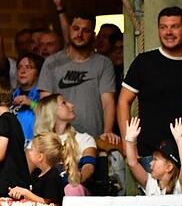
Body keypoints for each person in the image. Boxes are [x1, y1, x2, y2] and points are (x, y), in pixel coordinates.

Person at [118, 6, 182, 192]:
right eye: (163, 27)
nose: (168, 32)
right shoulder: (144, 62)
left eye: (174, 26)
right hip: (152, 157)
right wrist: (128, 146)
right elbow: (123, 101)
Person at [38, 12, 118, 142]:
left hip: (94, 139)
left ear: (93, 34)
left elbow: (108, 102)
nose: (79, 34)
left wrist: (108, 131)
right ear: (69, 29)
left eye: (86, 30)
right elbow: (46, 104)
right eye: (76, 29)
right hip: (60, 140)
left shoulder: (104, 63)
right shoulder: (51, 62)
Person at [34, 94, 95, 192]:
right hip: (47, 196)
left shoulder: (85, 139)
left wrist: (75, 181)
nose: (71, 105)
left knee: (73, 189)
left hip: (75, 192)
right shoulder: (37, 143)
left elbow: (89, 166)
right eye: (63, 103)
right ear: (52, 111)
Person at [124, 117, 182, 195]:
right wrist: (130, 140)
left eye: (155, 159)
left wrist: (179, 139)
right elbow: (132, 164)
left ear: (169, 167)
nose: (150, 163)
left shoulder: (179, 187)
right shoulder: (150, 183)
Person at [9, 132, 66, 206]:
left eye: (32, 149)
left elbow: (48, 203)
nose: (29, 151)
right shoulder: (36, 172)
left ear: (40, 157)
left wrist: (26, 193)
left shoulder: (53, 176)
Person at [10, 52, 44, 144]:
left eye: (28, 67)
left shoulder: (42, 95)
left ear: (38, 72)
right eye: (19, 67)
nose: (22, 71)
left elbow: (49, 113)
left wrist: (31, 103)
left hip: (32, 147)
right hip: (12, 147)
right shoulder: (10, 94)